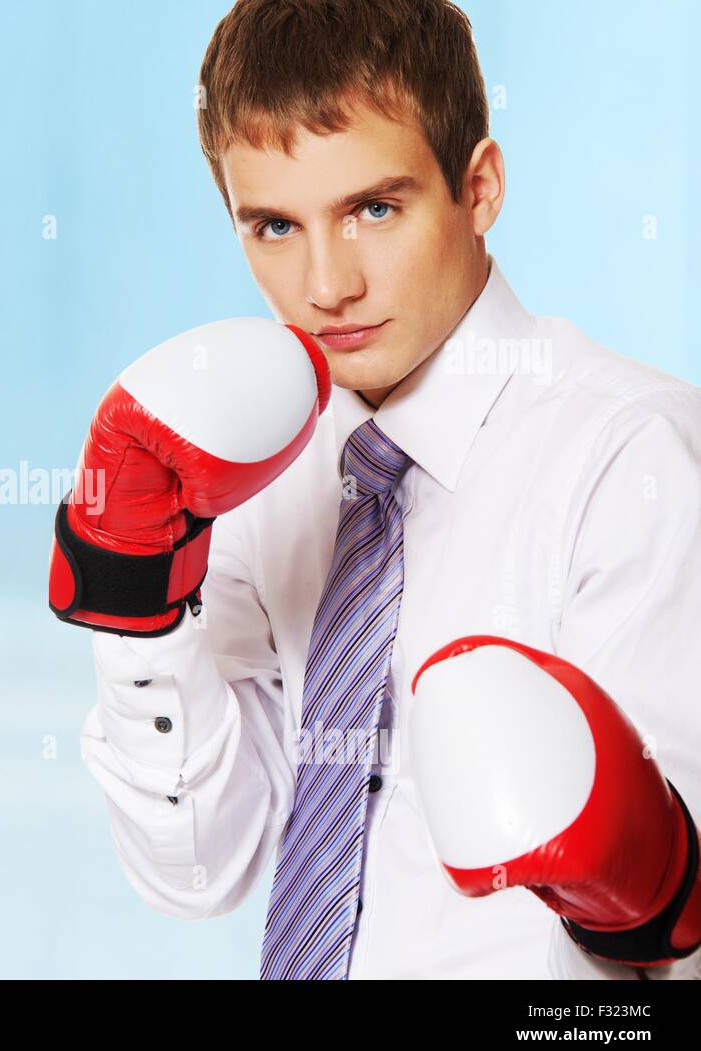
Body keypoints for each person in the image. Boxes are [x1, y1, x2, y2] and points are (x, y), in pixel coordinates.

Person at [49, 0, 701, 979]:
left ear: (477, 188)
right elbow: (199, 872)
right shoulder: (257, 471)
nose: (325, 285)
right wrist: (138, 618)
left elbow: (671, 932)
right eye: (273, 225)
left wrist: (650, 887)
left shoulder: (627, 457)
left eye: (374, 209)